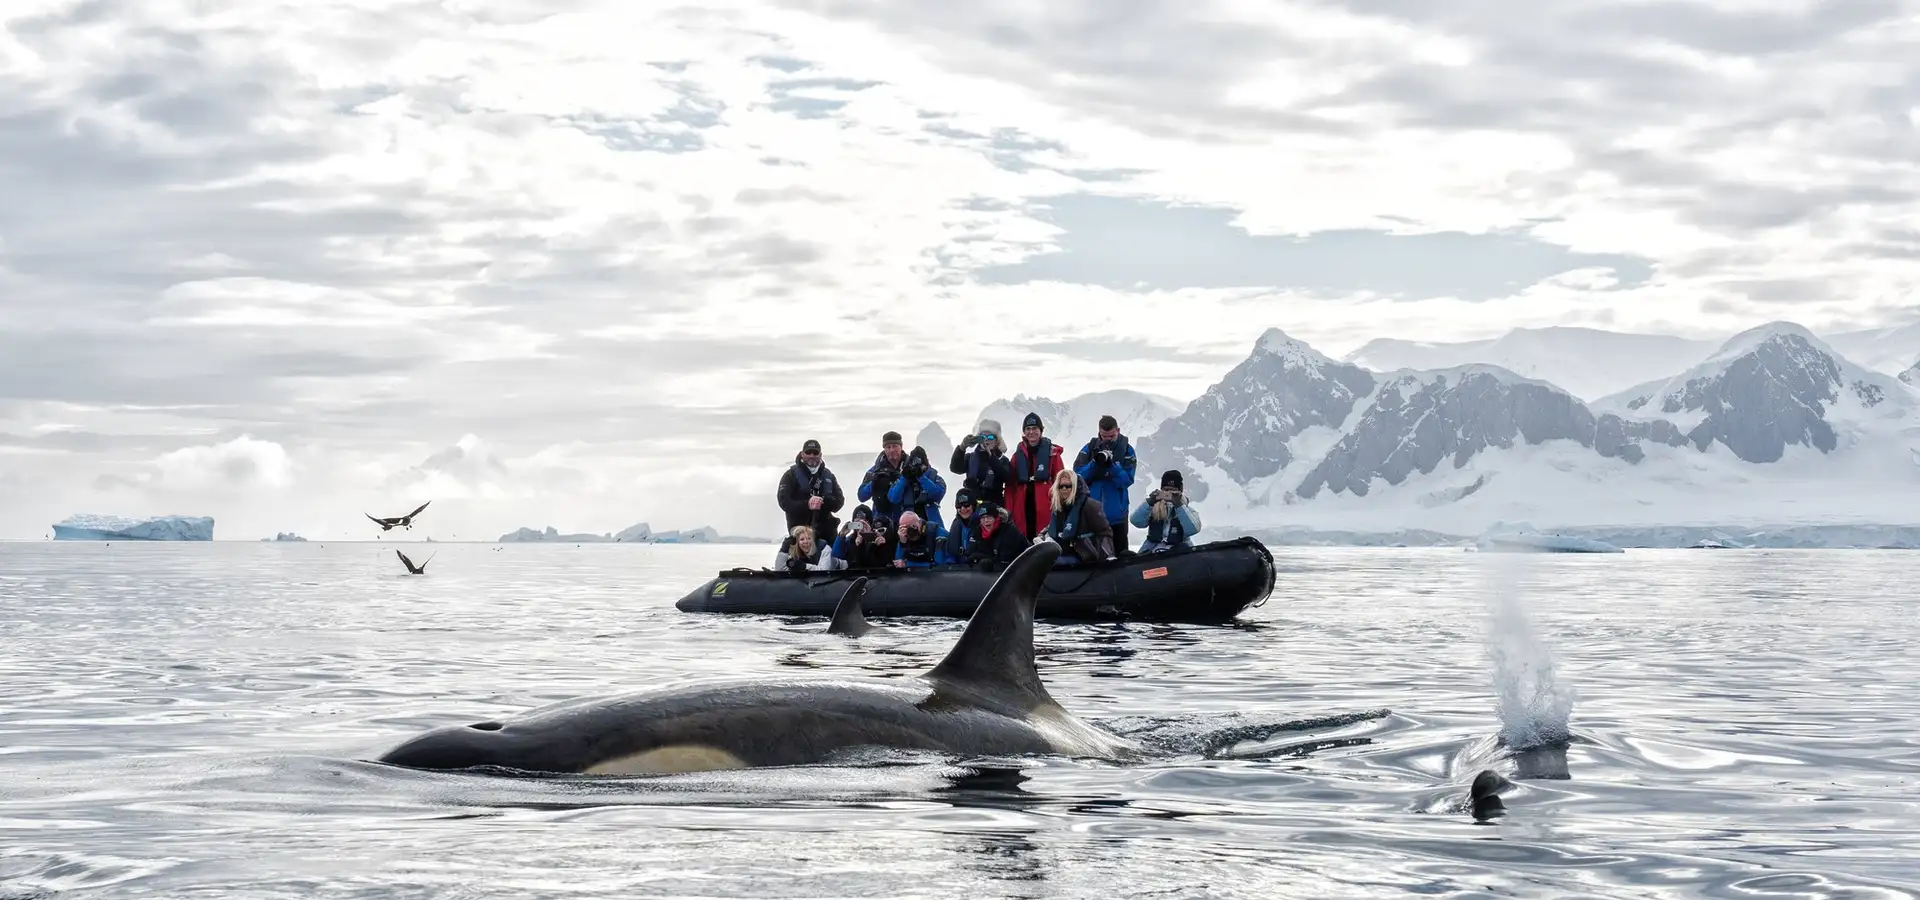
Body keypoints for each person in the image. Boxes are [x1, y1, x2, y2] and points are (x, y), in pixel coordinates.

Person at [1073, 414, 1138, 553]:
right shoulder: (1089, 449)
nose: (1108, 439)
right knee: (1094, 555)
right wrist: (1094, 463)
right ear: (1099, 432)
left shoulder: (1127, 450)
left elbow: (1127, 480)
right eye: (1104, 436)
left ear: (1118, 430)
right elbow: (1077, 476)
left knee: (1121, 554)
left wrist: (1113, 467)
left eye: (1111, 436)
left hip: (1117, 516)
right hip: (1093, 515)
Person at [1005, 412, 1066, 541]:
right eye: (1028, 429)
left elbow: (1061, 481)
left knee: (1044, 540)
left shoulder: (1052, 454)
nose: (1031, 432)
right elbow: (1010, 486)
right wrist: (1009, 509)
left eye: (1034, 428)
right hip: (1022, 507)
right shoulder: (1016, 456)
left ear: (1041, 430)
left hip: (1045, 507)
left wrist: (1061, 506)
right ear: (1023, 432)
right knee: (1023, 541)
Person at [776, 438, 844, 541]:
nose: (812, 456)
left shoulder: (828, 475)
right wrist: (807, 504)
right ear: (802, 454)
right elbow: (784, 502)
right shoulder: (790, 475)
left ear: (820, 455)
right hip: (800, 533)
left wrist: (824, 502)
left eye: (815, 453)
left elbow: (839, 501)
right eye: (808, 452)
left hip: (826, 533)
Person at [1046, 469, 1115, 565]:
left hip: (1084, 555)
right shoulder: (1058, 507)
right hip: (1064, 551)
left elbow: (1104, 532)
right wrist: (1041, 538)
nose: (1064, 489)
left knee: (1051, 563)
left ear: (1074, 486)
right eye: (1061, 486)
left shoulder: (1090, 505)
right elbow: (1051, 528)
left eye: (1068, 486)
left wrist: (1109, 556)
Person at [1131, 469, 1203, 553]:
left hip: (1180, 551)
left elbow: (1193, 530)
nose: (1169, 494)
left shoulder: (1188, 510)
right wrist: (1150, 502)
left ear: (1180, 491)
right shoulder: (1153, 508)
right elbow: (1136, 521)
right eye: (1166, 490)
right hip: (1153, 550)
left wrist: (1179, 506)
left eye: (1173, 491)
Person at [949, 417, 1012, 508]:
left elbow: (1007, 478)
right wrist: (962, 447)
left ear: (997, 440)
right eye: (982, 437)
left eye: (990, 437)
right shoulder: (970, 458)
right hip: (972, 507)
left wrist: (991, 457)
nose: (986, 440)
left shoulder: (1002, 460)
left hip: (994, 508)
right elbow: (955, 468)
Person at [886, 445, 947, 529]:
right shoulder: (904, 478)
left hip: (931, 524)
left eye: (920, 465)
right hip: (908, 525)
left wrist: (921, 477)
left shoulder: (935, 478)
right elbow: (893, 498)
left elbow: (937, 494)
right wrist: (904, 478)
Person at [858, 431, 908, 523]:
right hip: (882, 522)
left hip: (906, 520)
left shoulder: (910, 469)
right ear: (884, 449)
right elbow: (861, 496)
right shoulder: (875, 471)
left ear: (901, 447)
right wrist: (875, 482)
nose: (891, 450)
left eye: (895, 446)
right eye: (888, 447)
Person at [963, 502, 1028, 571]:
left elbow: (1004, 561)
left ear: (996, 518)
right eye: (983, 518)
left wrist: (981, 556)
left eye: (989, 517)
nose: (986, 520)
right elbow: (969, 554)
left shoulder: (1009, 532)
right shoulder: (977, 533)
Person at [832, 504, 892, 569]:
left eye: (863, 523)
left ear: (870, 523)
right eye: (857, 523)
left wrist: (869, 540)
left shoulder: (877, 538)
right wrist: (841, 536)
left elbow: (883, 561)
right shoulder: (850, 540)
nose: (860, 527)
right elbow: (837, 555)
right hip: (854, 572)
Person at [774, 524, 846, 573]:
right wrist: (784, 550)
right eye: (802, 539)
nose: (806, 542)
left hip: (840, 570)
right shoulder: (796, 552)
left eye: (809, 538)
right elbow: (780, 570)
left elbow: (824, 571)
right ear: (797, 542)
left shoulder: (824, 549)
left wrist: (804, 566)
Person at [943, 487, 978, 561]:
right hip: (960, 566)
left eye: (966, 505)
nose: (962, 509)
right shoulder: (956, 524)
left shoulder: (983, 522)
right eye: (959, 506)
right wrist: (950, 565)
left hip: (978, 565)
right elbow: (950, 553)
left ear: (973, 505)